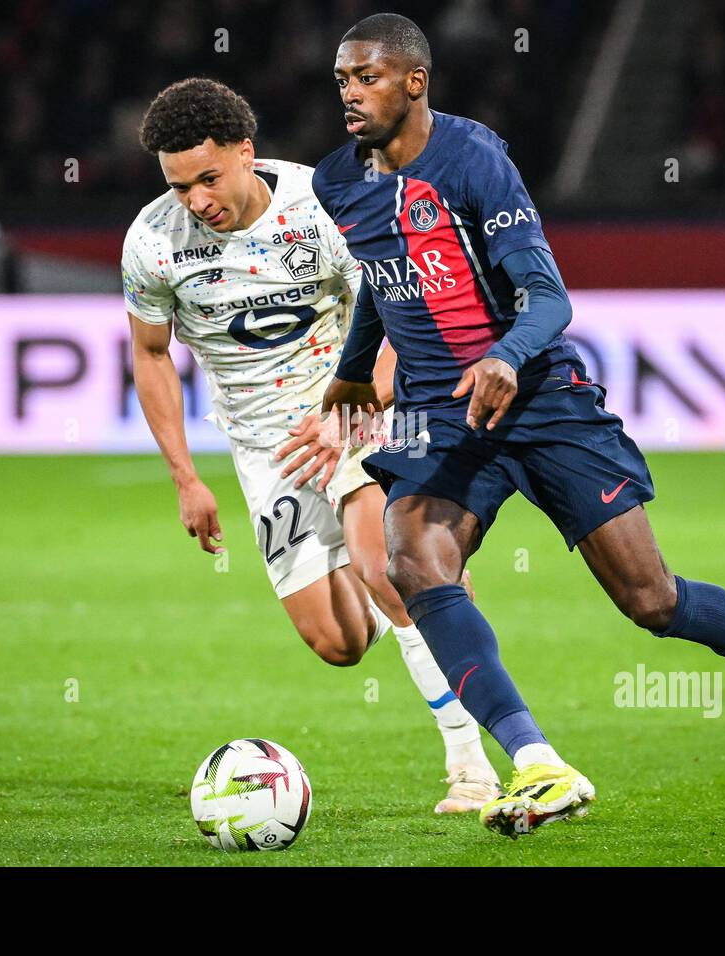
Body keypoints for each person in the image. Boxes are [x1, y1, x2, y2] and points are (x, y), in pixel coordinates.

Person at [310, 14, 725, 839]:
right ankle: (536, 762)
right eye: (341, 81)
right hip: (437, 413)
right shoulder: (339, 181)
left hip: (541, 399)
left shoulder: (474, 160)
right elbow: (379, 276)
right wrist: (357, 367)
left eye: (365, 77)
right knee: (415, 560)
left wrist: (505, 356)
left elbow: (549, 299)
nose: (350, 95)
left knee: (651, 600)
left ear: (414, 81)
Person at [120, 78, 500, 814]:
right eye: (179, 185)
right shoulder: (152, 242)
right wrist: (185, 478)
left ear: (245, 153)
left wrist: (360, 401)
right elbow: (150, 354)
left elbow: (399, 309)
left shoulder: (322, 203)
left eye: (208, 177)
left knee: (390, 569)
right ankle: (426, 594)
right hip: (265, 447)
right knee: (338, 643)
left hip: (352, 407)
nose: (196, 199)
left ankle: (472, 765)